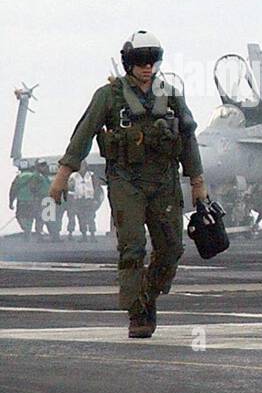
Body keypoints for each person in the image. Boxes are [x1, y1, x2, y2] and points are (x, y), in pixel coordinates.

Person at [49, 31, 206, 337]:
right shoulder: (109, 96)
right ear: (128, 63)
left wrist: (197, 181)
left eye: (152, 61)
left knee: (172, 248)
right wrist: (62, 177)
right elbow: (83, 135)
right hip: (126, 181)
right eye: (140, 61)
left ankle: (148, 294)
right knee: (132, 247)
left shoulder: (171, 94)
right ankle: (137, 312)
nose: (147, 67)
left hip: (164, 181)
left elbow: (188, 139)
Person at [67, 162, 100, 241]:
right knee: (81, 218)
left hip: (89, 200)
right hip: (79, 200)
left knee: (91, 217)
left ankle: (92, 235)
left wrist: (96, 199)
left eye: (82, 165)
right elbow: (69, 188)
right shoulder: (73, 176)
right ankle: (84, 235)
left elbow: (97, 188)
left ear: (86, 166)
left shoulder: (91, 175)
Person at [9, 163, 42, 239]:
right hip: (32, 200)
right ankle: (28, 230)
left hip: (21, 200)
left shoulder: (19, 177)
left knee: (19, 216)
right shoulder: (35, 176)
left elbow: (13, 190)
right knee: (30, 216)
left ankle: (26, 229)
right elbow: (39, 189)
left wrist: (11, 202)